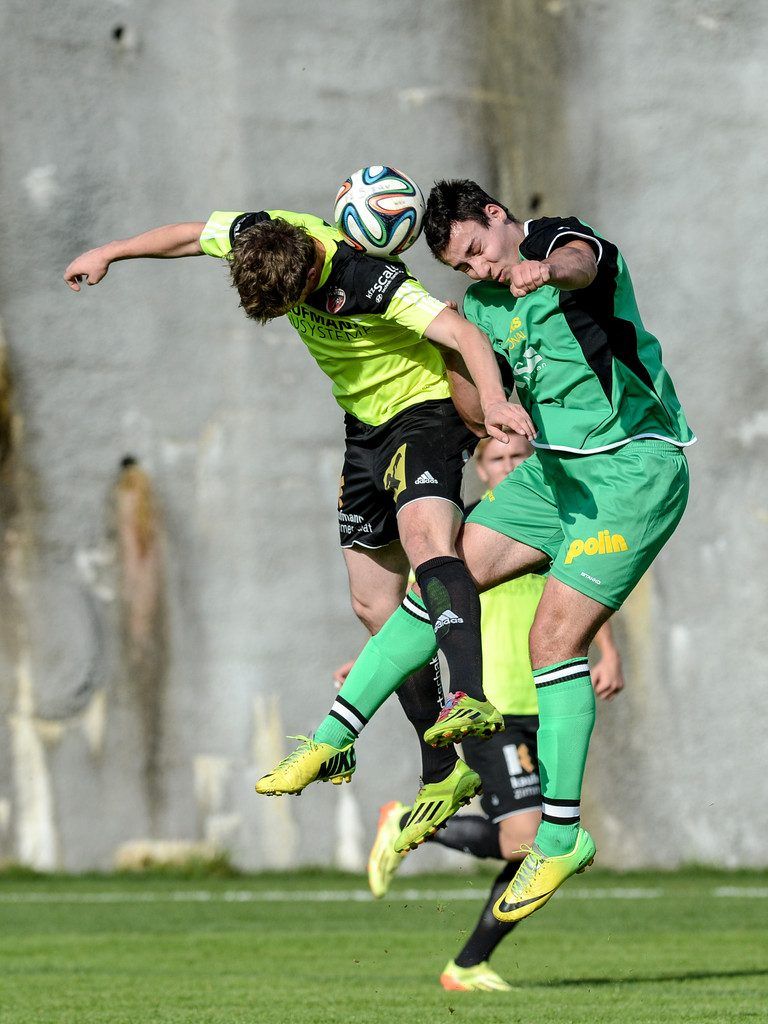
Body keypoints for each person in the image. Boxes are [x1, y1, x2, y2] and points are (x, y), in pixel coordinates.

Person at [63, 200, 535, 846]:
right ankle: (441, 769)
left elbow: (464, 335)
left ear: (315, 272)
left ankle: (470, 695)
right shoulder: (261, 233)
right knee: (372, 606)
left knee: (430, 542)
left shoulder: (372, 279)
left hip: (422, 411)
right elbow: (186, 235)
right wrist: (111, 251)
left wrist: (497, 404)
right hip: (363, 427)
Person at [307, 179, 694, 918]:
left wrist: (543, 270)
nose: (482, 270)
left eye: (482, 251)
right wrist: (458, 353)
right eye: (466, 267)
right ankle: (331, 736)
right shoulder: (482, 305)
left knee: (554, 639)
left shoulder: (554, 240)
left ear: (497, 217)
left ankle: (559, 837)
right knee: (436, 578)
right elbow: (474, 410)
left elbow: (582, 260)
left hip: (633, 467)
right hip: (550, 476)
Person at [363, 434, 624, 991]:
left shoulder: (555, 515)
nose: (508, 465)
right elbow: (421, 610)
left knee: (539, 850)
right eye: (497, 458)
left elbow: (586, 589)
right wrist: (367, 664)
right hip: (490, 705)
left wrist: (608, 653)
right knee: (530, 844)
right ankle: (412, 827)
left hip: (547, 701)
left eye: (518, 457)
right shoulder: (469, 534)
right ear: (479, 469)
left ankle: (468, 963)